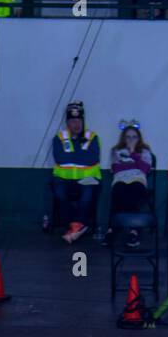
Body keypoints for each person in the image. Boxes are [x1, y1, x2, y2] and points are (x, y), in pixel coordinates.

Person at [50, 100, 101, 243]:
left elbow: (92, 159)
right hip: (63, 179)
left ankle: (75, 227)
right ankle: (78, 225)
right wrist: (80, 154)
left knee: (87, 196)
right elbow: (60, 158)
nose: (76, 124)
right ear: (67, 122)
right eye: (73, 121)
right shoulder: (59, 138)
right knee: (59, 193)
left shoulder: (92, 137)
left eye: (79, 120)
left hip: (87, 179)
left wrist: (73, 155)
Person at [107, 121, 153, 248]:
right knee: (119, 190)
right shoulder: (116, 151)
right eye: (128, 137)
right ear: (123, 138)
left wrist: (133, 154)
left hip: (138, 179)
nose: (131, 139)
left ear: (139, 138)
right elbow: (115, 168)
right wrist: (133, 164)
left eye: (134, 137)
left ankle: (134, 231)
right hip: (120, 179)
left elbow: (144, 169)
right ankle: (111, 230)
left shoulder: (145, 151)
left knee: (134, 190)